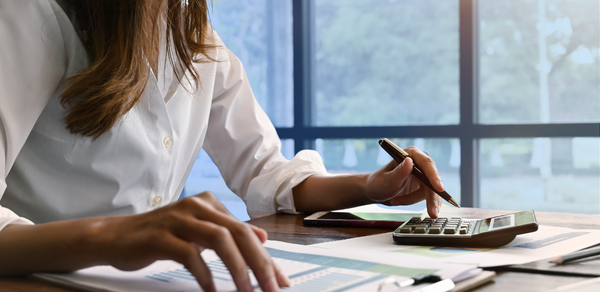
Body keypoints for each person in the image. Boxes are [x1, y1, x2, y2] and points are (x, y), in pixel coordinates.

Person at [0, 1, 444, 292]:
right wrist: (112, 235)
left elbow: (266, 172)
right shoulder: (29, 15)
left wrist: (370, 185)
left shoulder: (192, 34)